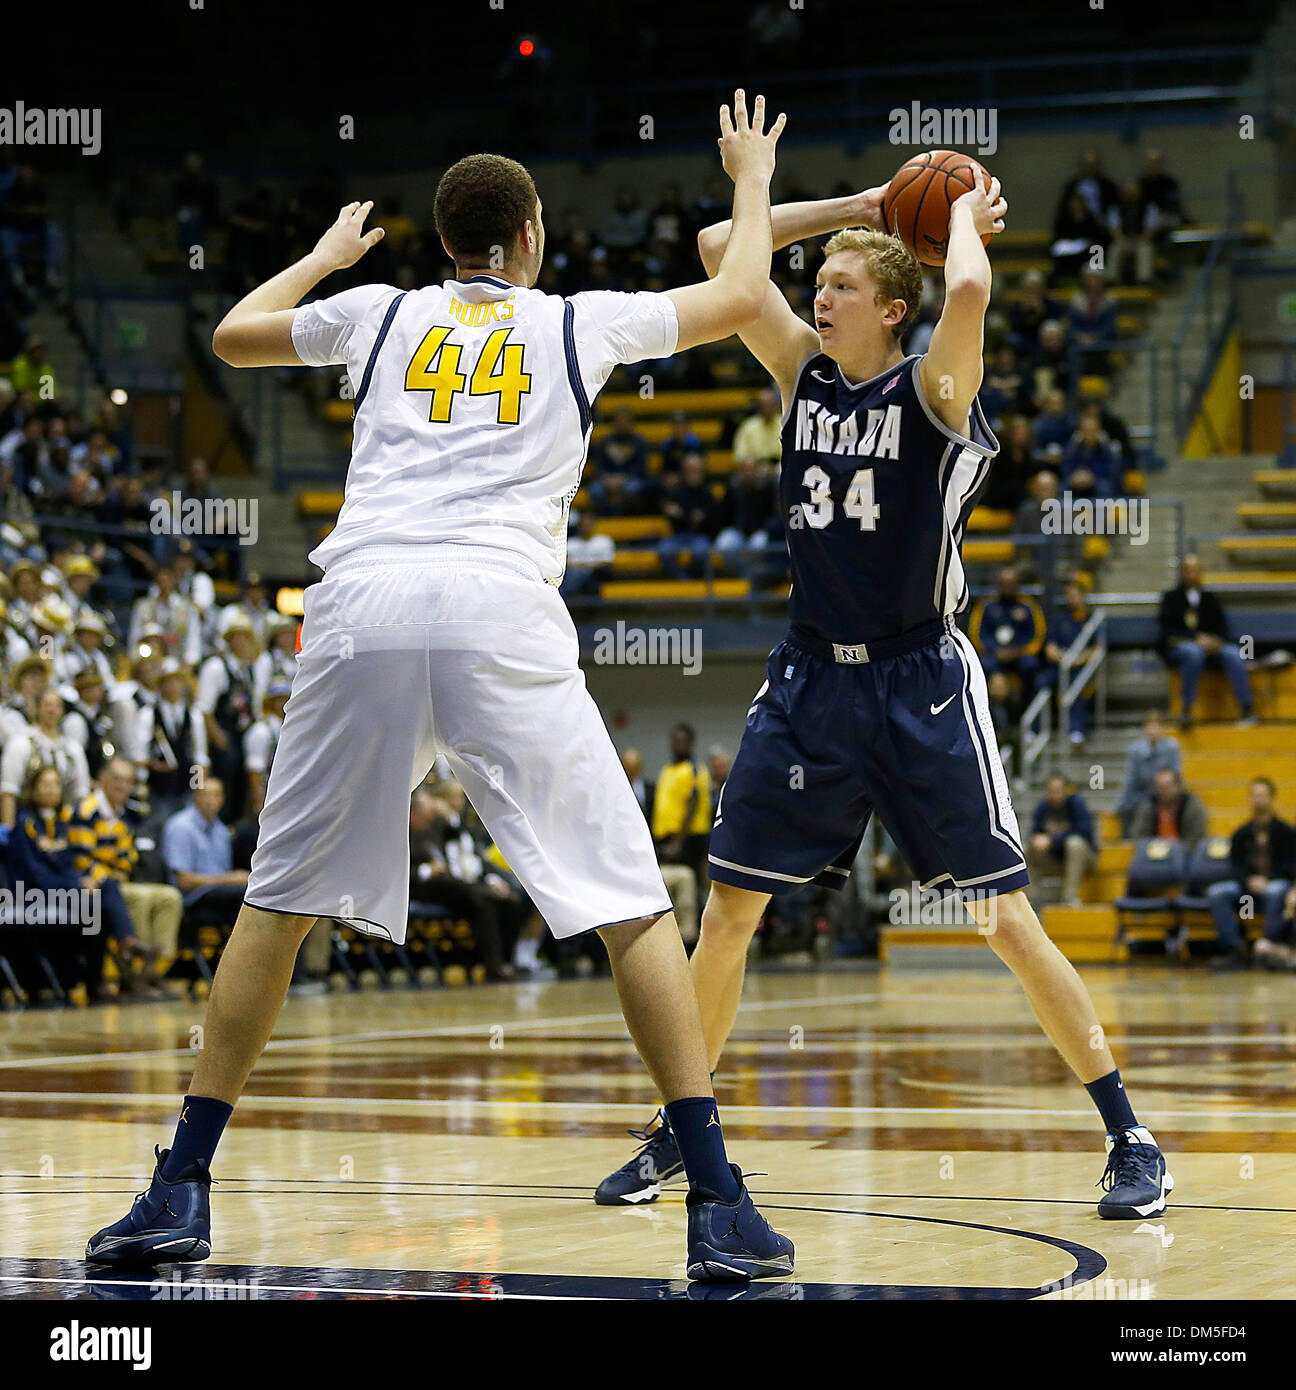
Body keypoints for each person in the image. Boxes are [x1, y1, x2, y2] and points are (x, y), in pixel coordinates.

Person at [86, 92, 793, 1281]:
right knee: (631, 904)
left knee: (277, 903)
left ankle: (180, 1186)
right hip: (494, 610)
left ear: (449, 242)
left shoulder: (382, 311)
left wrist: (321, 257)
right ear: (528, 240)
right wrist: (753, 176)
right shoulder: (581, 322)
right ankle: (716, 1202)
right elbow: (736, 298)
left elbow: (233, 336)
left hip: (356, 607)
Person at [596, 162, 1171, 1221]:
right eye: (818, 282)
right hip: (810, 677)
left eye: (844, 285)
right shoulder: (800, 375)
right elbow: (725, 247)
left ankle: (1129, 1133)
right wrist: (858, 211)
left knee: (1002, 919)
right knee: (727, 913)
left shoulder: (934, 390)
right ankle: (680, 1130)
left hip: (920, 683)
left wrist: (956, 222)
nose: (819, 293)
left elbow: (969, 297)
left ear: (891, 311)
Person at [1208, 777, 1296, 971]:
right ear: (1249, 798)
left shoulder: (1286, 832)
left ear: (1272, 798)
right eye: (1255, 795)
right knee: (1219, 892)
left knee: (1275, 890)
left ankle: (1268, 945)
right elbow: (1235, 865)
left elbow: (1290, 865)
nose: (1258, 800)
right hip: (1248, 893)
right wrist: (1247, 881)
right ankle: (1236, 948)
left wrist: (1268, 880)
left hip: (1275, 886)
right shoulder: (1241, 833)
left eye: (1263, 795)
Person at [1158, 554, 1254, 728]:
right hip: (1180, 647)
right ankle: (1186, 709)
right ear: (1182, 573)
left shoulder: (1210, 598)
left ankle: (1246, 707)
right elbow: (1167, 632)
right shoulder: (1171, 598)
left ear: (1201, 572)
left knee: (1234, 654)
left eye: (1195, 570)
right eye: (1188, 570)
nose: (1192, 574)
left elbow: (1223, 627)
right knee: (1194, 652)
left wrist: (1216, 641)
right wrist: (1195, 640)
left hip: (1211, 647)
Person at [1026, 774, 1096, 907]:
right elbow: (1034, 834)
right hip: (1056, 860)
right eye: (1052, 791)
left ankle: (1070, 898)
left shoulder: (1077, 804)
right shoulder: (1043, 808)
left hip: (1085, 859)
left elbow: (1084, 831)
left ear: (1066, 791)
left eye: (1058, 790)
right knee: (1027, 850)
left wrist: (1052, 840)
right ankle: (1033, 901)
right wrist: (1036, 840)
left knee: (1075, 844)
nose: (1055, 794)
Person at [1115, 711, 1183, 836]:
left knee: (1148, 809)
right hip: (1143, 795)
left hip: (1165, 794)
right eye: (1149, 726)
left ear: (1162, 728)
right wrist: (1121, 804)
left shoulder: (1171, 747)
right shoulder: (1136, 749)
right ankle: (1127, 843)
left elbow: (1177, 775)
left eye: (1156, 726)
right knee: (1127, 808)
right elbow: (1131, 779)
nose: (1152, 730)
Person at [1129, 767, 1207, 850]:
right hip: (1153, 855)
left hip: (1185, 856)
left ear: (1179, 787)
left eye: (1167, 787)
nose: (1163, 791)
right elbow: (1139, 835)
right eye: (1159, 787)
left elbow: (1196, 839)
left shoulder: (1192, 807)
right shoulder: (1149, 806)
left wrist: (1175, 851)